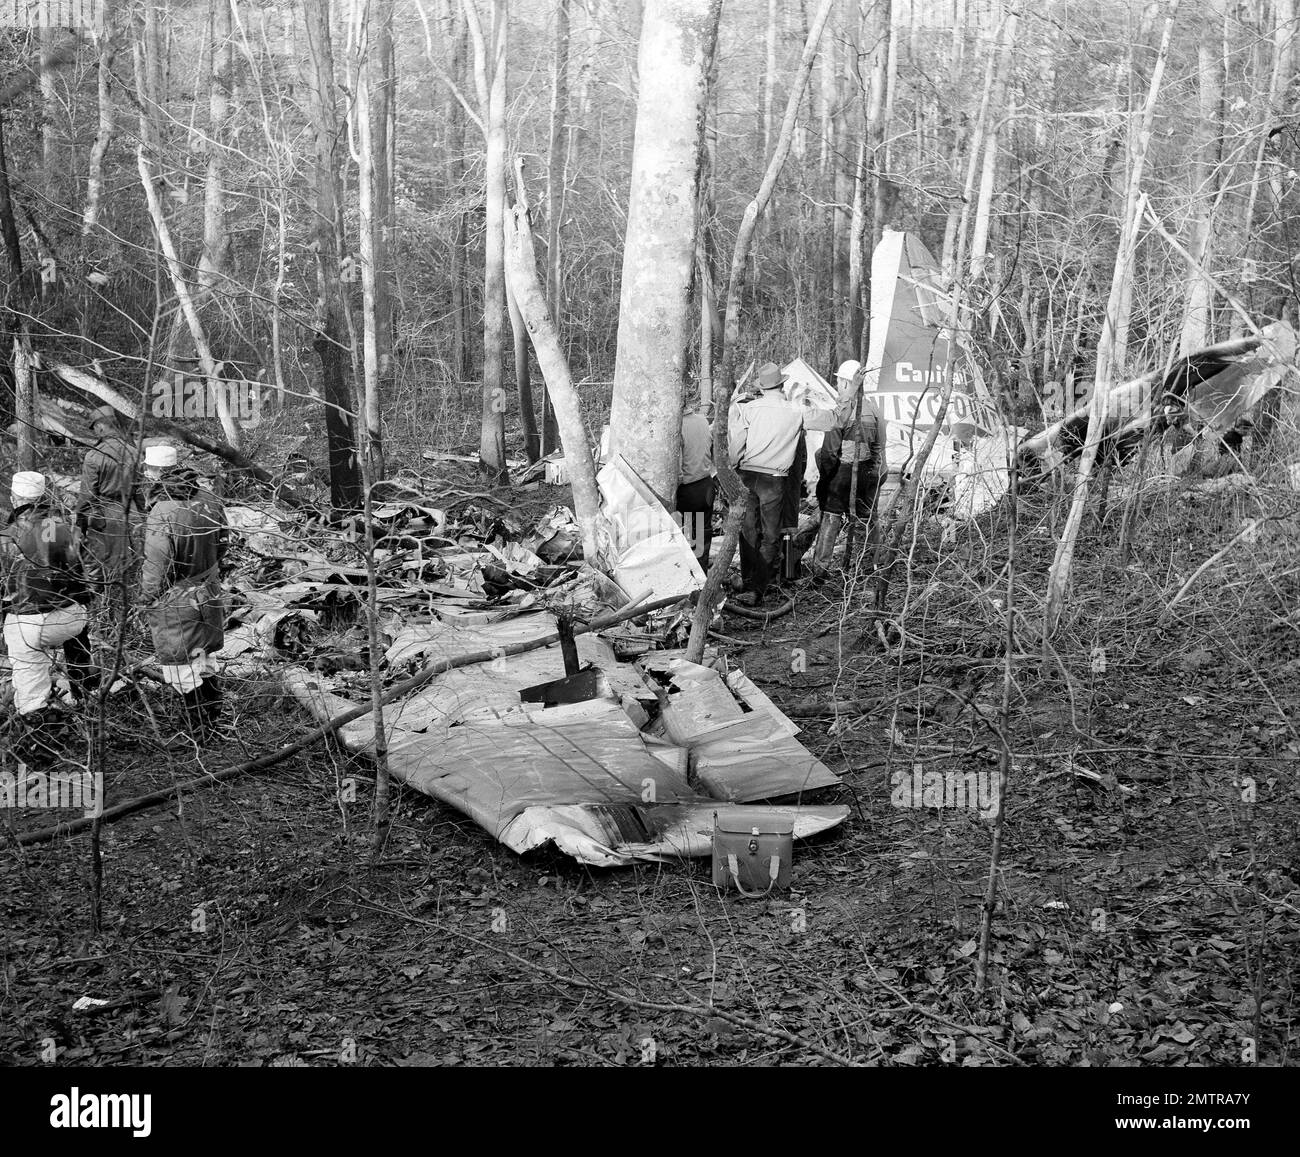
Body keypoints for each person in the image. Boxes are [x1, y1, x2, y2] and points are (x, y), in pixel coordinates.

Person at [140, 444, 229, 742]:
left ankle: (199, 732)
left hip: (177, 598)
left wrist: (146, 598)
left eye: (147, 469)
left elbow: (157, 566)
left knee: (180, 667)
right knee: (203, 659)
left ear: (154, 473)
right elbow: (224, 543)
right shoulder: (210, 498)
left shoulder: (161, 511)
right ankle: (211, 726)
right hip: (209, 588)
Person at [1, 471, 96, 745]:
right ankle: (85, 689)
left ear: (14, 498)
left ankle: (38, 733)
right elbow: (81, 571)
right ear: (44, 496)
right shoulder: (62, 527)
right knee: (78, 631)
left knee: (27, 666)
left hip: (31, 621)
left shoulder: (6, 535)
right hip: (72, 617)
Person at [728, 361, 805, 605]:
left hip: (748, 474)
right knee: (771, 534)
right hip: (775, 478)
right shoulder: (795, 410)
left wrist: (735, 463)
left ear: (762, 387)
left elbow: (736, 446)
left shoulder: (749, 409)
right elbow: (830, 421)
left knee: (748, 531)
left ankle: (750, 582)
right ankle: (757, 587)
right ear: (782, 385)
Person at [810, 361, 888, 577]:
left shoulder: (841, 411)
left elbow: (829, 452)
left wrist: (825, 478)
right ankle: (868, 567)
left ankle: (820, 571)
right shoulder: (874, 409)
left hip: (841, 472)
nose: (836, 384)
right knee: (867, 519)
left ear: (846, 382)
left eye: (838, 380)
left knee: (831, 518)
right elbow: (880, 447)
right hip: (868, 471)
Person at [75, 404, 142, 600]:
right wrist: (143, 513)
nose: (95, 432)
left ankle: (102, 610)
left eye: (95, 428)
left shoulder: (94, 456)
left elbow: (87, 496)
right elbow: (138, 488)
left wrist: (80, 524)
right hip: (132, 511)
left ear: (102, 426)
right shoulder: (132, 451)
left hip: (105, 516)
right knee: (133, 564)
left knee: (101, 568)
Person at [677, 398, 715, 571]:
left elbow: (677, 469)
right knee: (702, 532)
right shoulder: (702, 420)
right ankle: (702, 573)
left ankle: (691, 577)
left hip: (687, 489)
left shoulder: (677, 427)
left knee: (686, 535)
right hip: (705, 485)